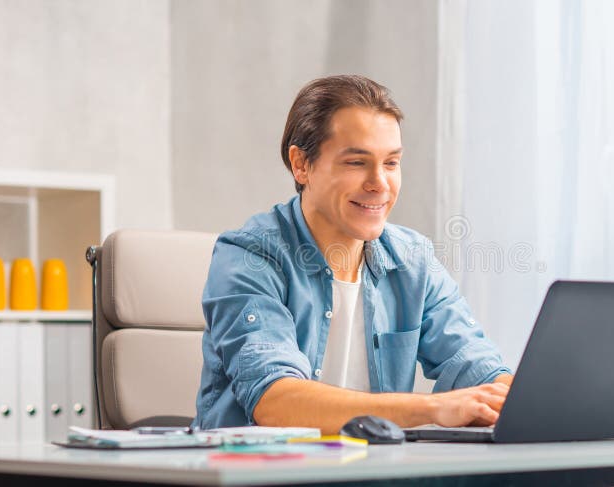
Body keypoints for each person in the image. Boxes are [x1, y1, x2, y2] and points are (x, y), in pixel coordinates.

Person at [194, 75, 513, 433]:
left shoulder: (412, 261)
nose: (379, 183)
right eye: (357, 163)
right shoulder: (249, 256)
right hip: (262, 479)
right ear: (301, 164)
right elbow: (276, 401)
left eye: (391, 163)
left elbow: (478, 367)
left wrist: (518, 397)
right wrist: (434, 407)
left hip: (369, 477)